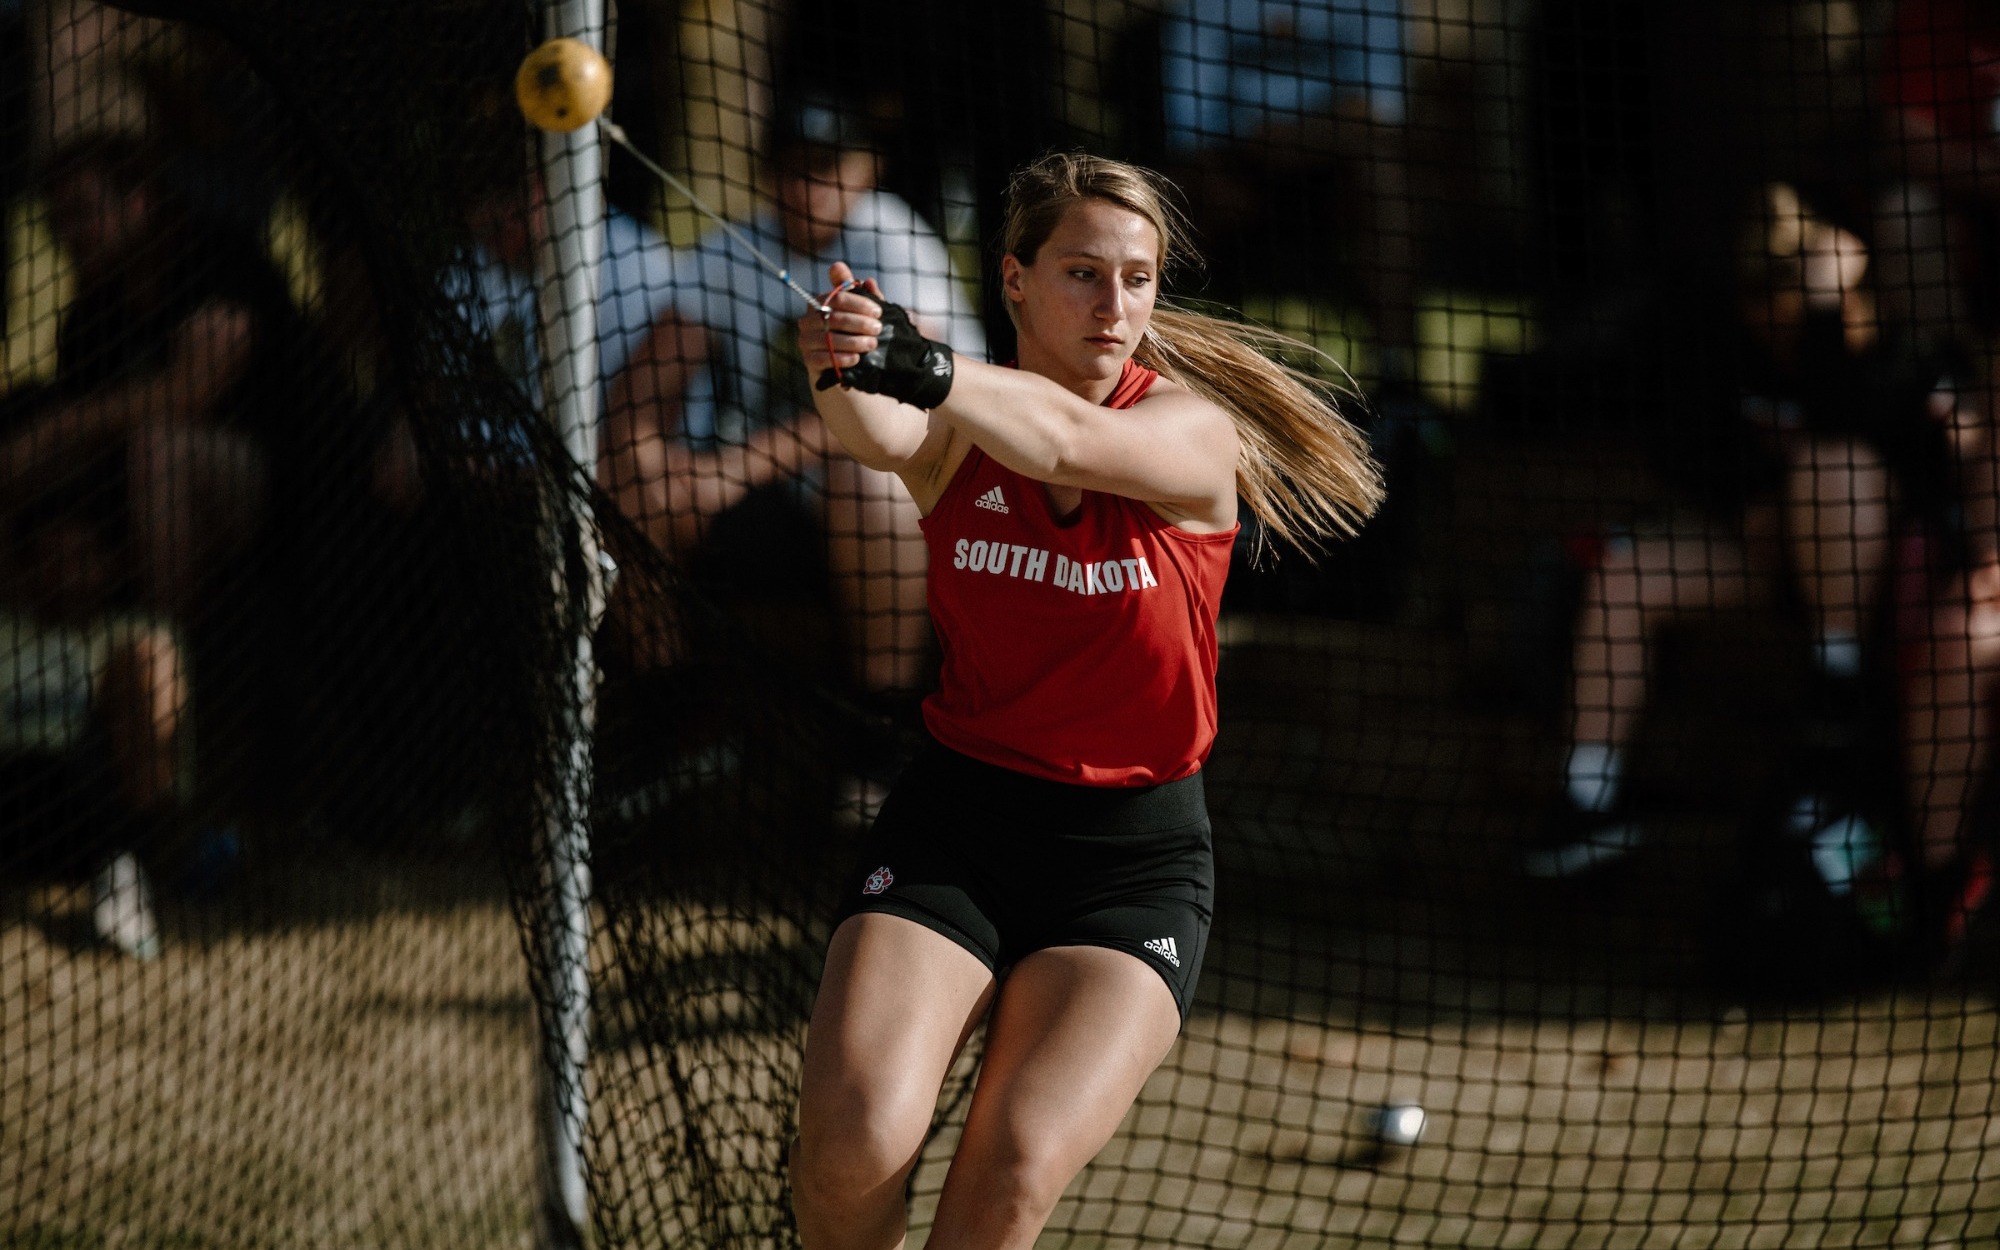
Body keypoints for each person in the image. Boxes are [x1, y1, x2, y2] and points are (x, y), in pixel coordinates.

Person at [786, 152, 1382, 1250]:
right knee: (850, 1137)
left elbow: (1065, 440)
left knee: (1006, 1175)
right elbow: (870, 433)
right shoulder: (959, 426)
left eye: (1139, 278)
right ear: (1012, 278)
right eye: (1081, 273)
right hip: (954, 825)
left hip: (1129, 863)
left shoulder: (1192, 432)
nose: (1116, 307)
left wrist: (926, 363)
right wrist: (838, 356)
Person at [603, 92, 987, 708]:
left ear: (867, 170)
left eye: (829, 167)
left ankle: (878, 720)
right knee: (619, 472)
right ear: (764, 171)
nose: (809, 187)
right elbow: (649, 379)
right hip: (778, 489)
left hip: (927, 481)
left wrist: (729, 472)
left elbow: (890, 397)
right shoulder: (734, 248)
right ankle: (669, 699)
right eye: (792, 167)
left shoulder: (894, 241)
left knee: (867, 477)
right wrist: (643, 453)